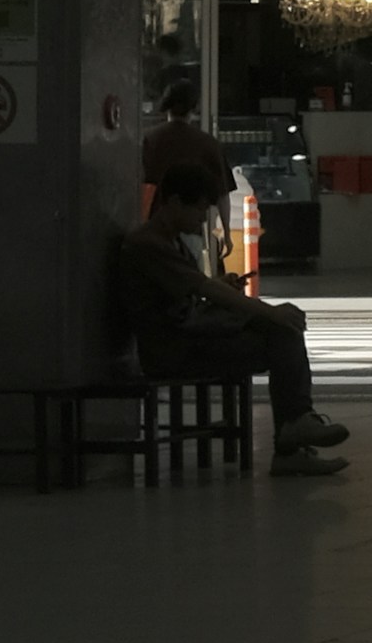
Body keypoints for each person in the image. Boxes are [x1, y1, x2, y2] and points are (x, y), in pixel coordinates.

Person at [112, 166, 348, 470]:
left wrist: (229, 292)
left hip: (188, 336)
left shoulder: (168, 240)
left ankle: (295, 428)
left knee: (279, 329)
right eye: (198, 208)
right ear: (173, 203)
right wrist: (268, 311)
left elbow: (189, 289)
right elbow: (202, 286)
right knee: (280, 332)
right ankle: (293, 436)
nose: (203, 217)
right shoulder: (150, 244)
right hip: (175, 350)